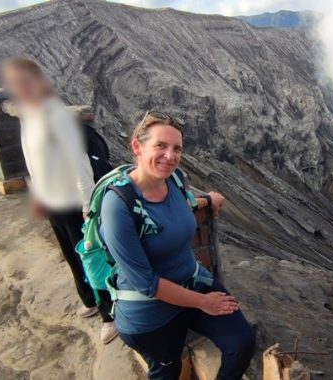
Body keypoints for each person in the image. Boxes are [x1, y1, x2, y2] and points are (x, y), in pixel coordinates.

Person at [100, 111, 256, 379]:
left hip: (191, 282)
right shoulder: (118, 206)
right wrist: (203, 302)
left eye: (177, 149)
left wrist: (208, 200)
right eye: (160, 146)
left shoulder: (174, 179)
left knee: (242, 343)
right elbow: (146, 283)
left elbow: (179, 207)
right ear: (137, 147)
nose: (170, 156)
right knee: (168, 368)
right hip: (149, 313)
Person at [1, 57, 117, 344]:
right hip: (53, 201)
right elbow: (34, 160)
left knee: (91, 256)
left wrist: (89, 208)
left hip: (75, 203)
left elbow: (80, 167)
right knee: (70, 253)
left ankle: (109, 314)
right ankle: (89, 300)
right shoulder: (30, 116)